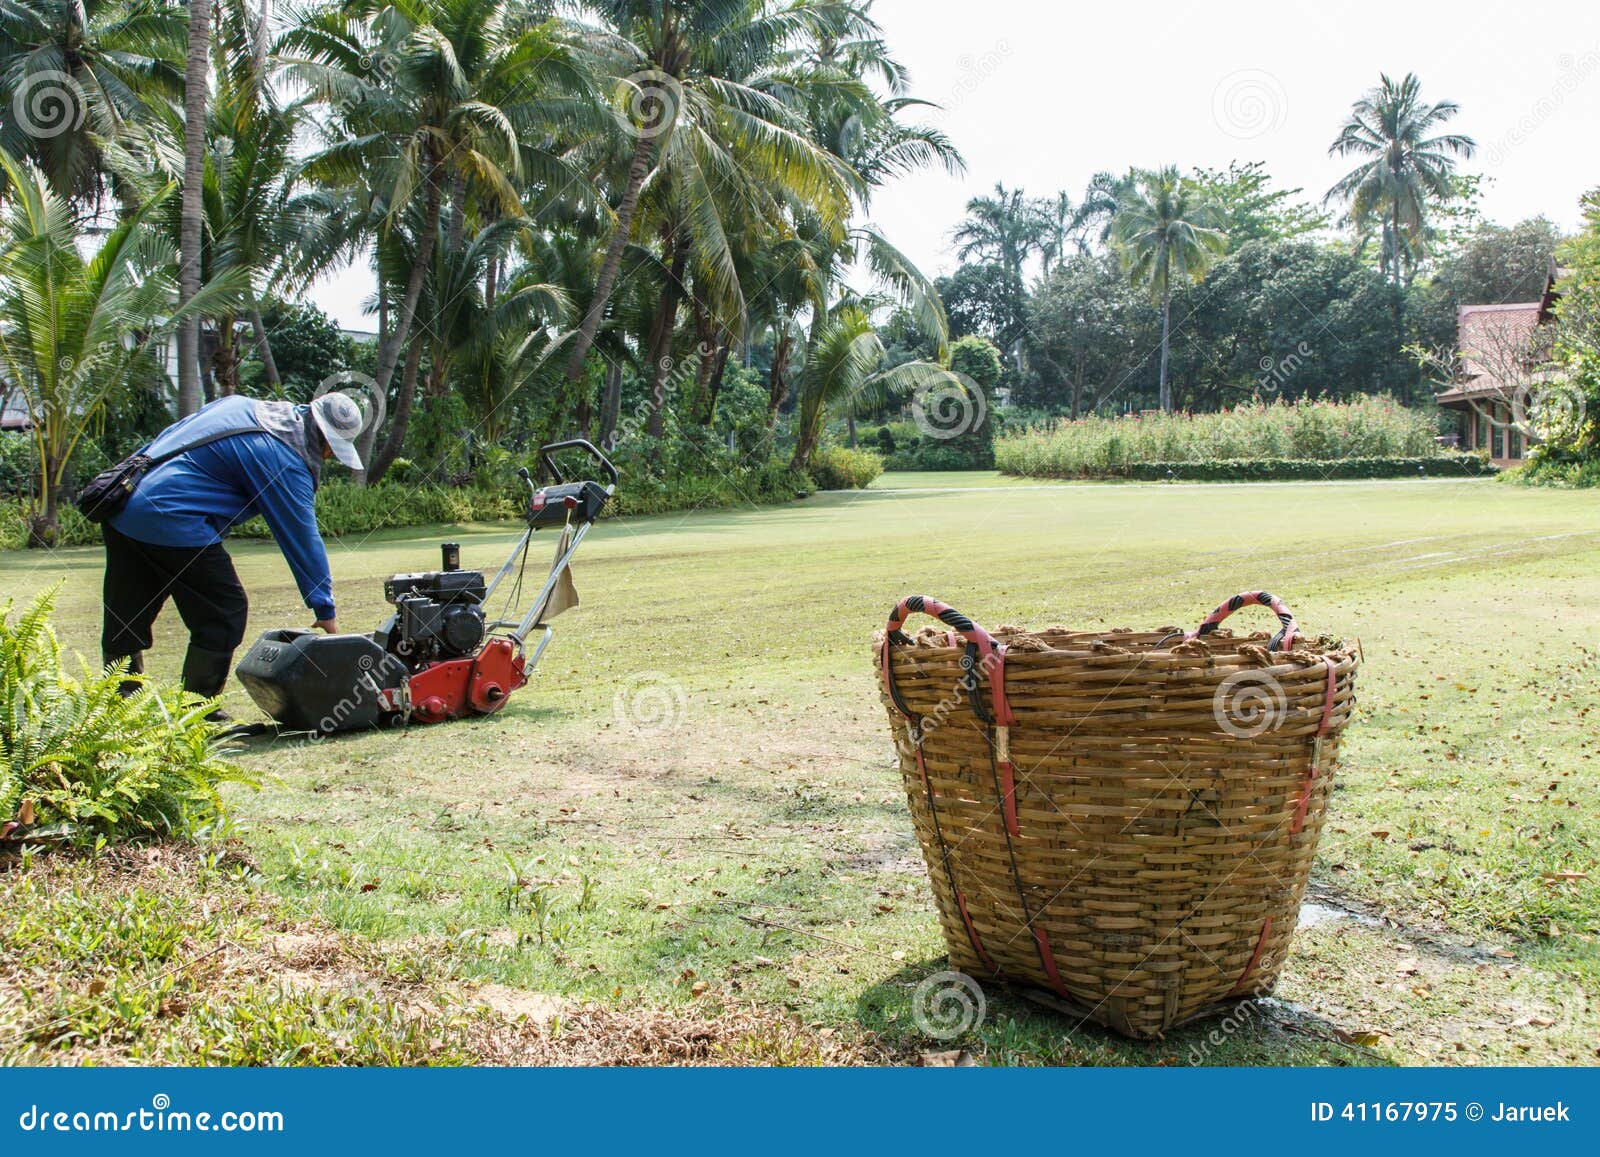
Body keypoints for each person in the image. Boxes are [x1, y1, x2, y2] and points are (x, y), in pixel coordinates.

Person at [100, 392, 366, 718]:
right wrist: (325, 608)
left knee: (128, 613)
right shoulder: (286, 457)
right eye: (331, 450)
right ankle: (197, 713)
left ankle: (119, 708)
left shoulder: (242, 406)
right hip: (175, 516)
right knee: (224, 611)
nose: (328, 457)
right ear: (324, 437)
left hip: (123, 503)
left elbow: (173, 436)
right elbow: (301, 535)